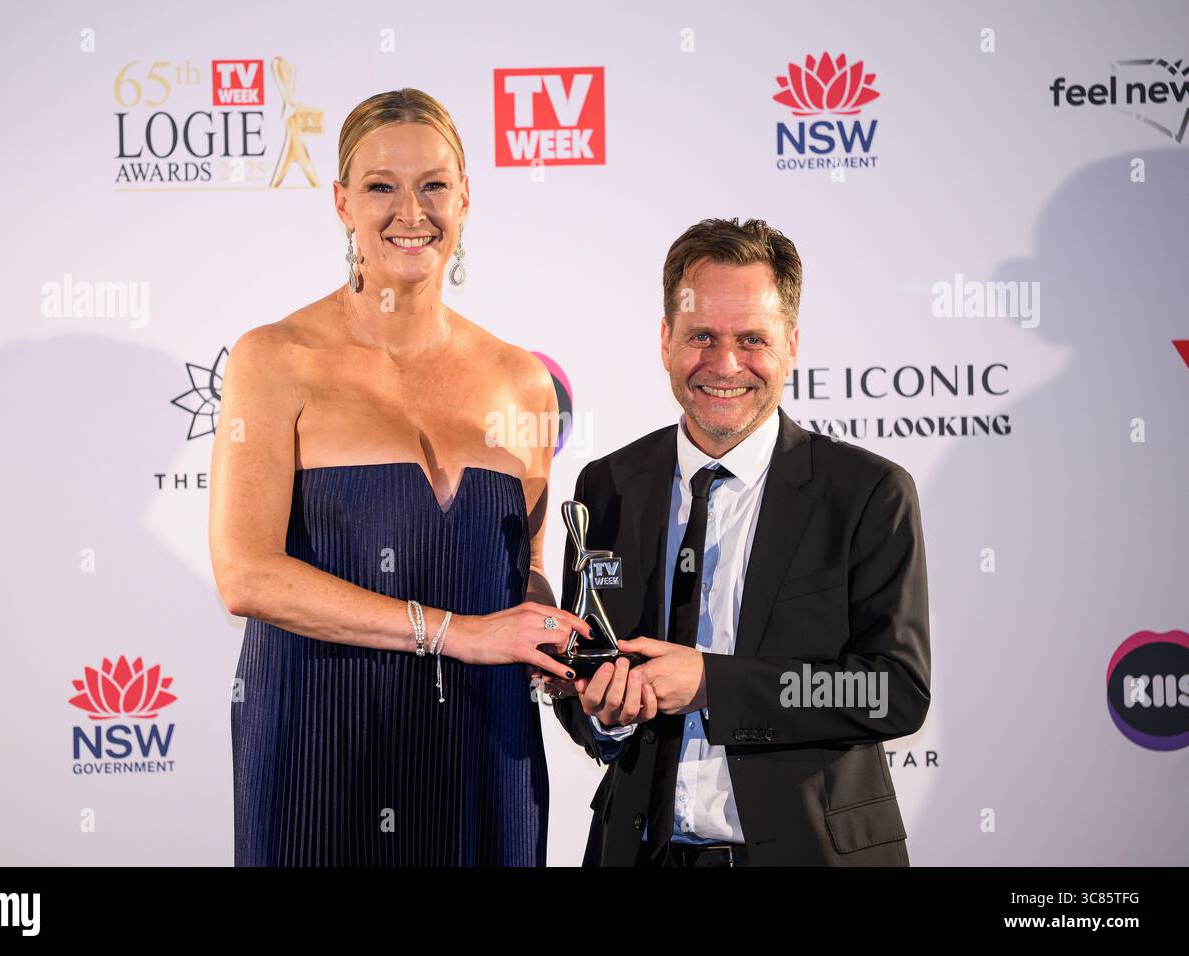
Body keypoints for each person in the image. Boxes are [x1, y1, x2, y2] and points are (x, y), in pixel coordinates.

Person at [209, 88, 587, 866]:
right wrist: (458, 634)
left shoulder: (524, 382)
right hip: (320, 746)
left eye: (434, 185)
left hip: (486, 752)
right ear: (343, 203)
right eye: (381, 186)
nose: (409, 210)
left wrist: (571, 648)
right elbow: (246, 576)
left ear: (466, 198)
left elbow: (526, 575)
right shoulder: (275, 360)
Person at [544, 218, 931, 866]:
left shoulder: (867, 493)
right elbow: (583, 670)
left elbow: (890, 691)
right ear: (666, 341)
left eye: (752, 338)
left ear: (792, 345)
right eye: (702, 337)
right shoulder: (607, 484)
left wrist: (714, 685)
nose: (725, 365)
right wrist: (603, 715)